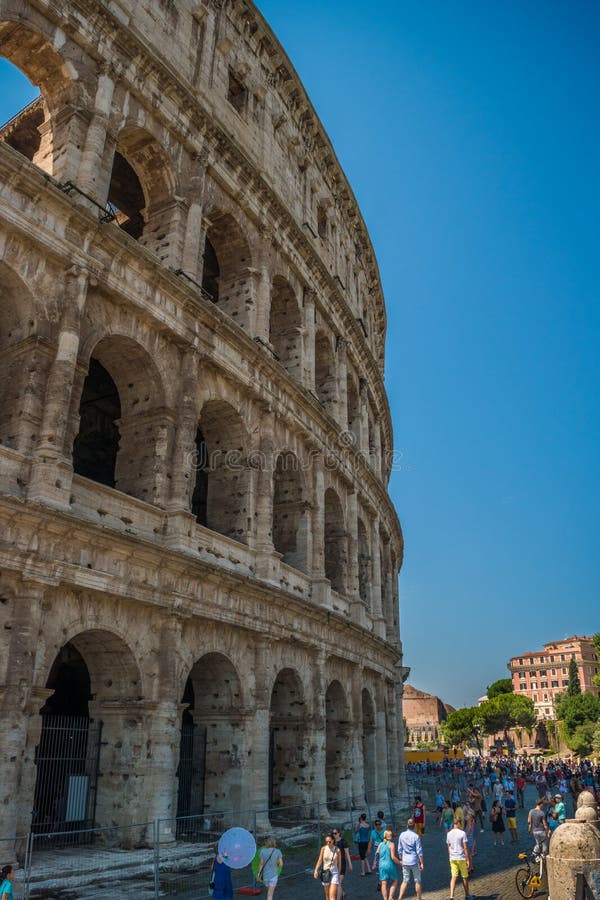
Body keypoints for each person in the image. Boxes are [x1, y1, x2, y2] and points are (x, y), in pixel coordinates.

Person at [446, 817, 473, 900]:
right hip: (461, 858)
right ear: (458, 823)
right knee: (465, 877)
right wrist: (468, 860)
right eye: (461, 823)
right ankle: (467, 895)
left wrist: (450, 856)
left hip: (452, 858)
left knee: (453, 877)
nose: (461, 825)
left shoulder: (448, 834)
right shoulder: (462, 833)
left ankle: (451, 896)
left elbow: (448, 847)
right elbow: (465, 848)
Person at [397, 818, 424, 900]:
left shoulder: (402, 835)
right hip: (414, 861)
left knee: (405, 880)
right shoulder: (416, 836)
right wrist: (422, 863)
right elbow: (419, 851)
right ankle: (419, 898)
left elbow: (399, 849)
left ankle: (400, 898)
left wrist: (401, 859)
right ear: (414, 826)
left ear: (407, 825)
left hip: (405, 861)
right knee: (417, 881)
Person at [375, 829, 401, 900]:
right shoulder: (391, 844)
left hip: (381, 865)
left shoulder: (380, 844)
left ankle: (385, 898)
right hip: (389, 865)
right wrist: (399, 862)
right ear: (390, 836)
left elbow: (376, 854)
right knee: (395, 880)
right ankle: (390, 897)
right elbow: (393, 857)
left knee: (383, 883)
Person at [314, 832, 341, 900]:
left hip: (334, 873)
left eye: (329, 842)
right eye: (326, 842)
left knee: (332, 896)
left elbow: (339, 863)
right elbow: (320, 860)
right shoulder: (323, 849)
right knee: (327, 895)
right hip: (325, 872)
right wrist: (316, 870)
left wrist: (339, 874)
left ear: (333, 840)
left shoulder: (337, 850)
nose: (328, 843)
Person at [332, 827, 352, 900]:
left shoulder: (343, 842)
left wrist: (350, 864)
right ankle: (343, 893)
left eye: (335, 833)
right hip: (334, 864)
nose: (334, 835)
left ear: (339, 833)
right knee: (335, 882)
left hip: (342, 863)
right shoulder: (332, 842)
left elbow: (347, 854)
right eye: (333, 833)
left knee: (338, 882)